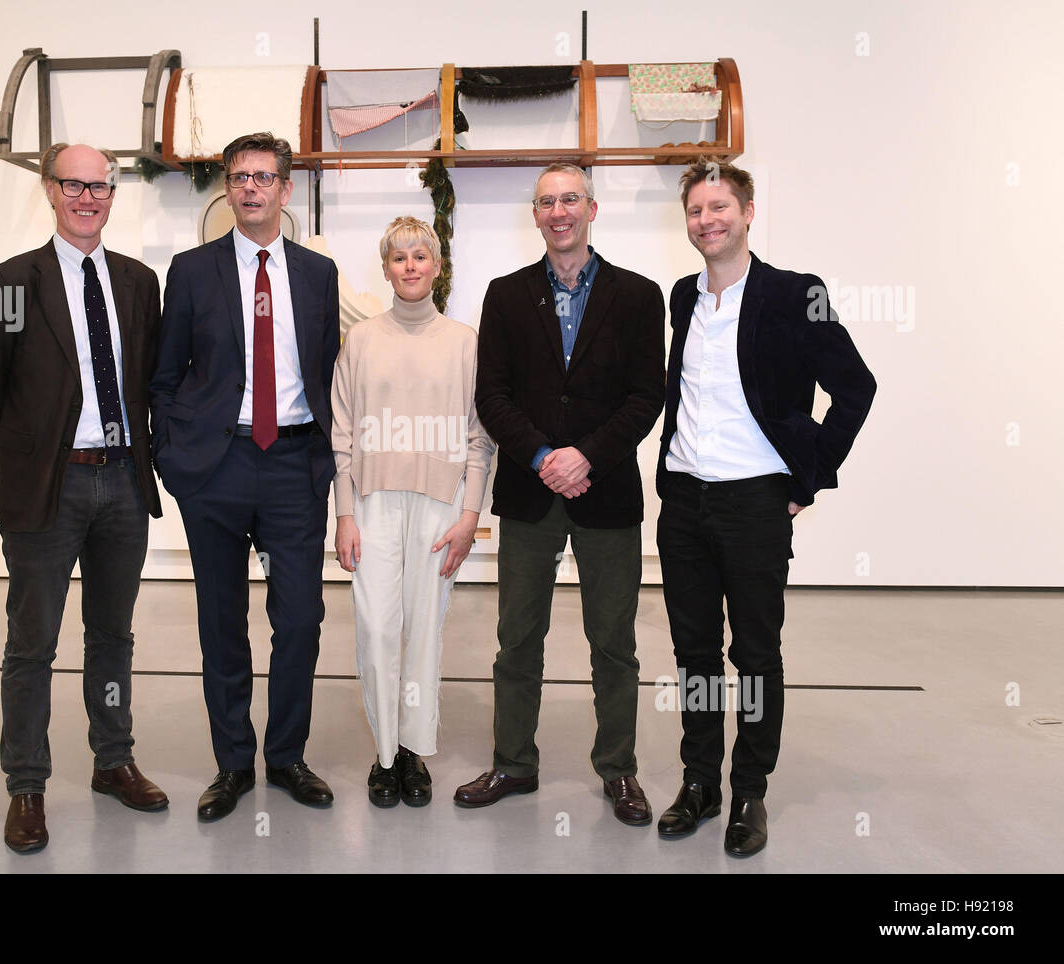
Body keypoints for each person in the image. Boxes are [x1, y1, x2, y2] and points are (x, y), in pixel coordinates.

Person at [655, 158, 876, 856]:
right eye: (696, 210)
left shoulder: (796, 293)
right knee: (694, 657)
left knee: (753, 655)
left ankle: (750, 788)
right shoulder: (682, 297)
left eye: (720, 207)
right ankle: (699, 782)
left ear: (748, 212)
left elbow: (856, 387)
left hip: (754, 502)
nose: (707, 220)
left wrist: (805, 479)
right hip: (685, 501)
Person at [0, 143, 168, 855]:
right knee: (32, 645)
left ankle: (113, 760)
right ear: (50, 191)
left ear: (113, 195)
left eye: (100, 186)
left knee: (113, 637)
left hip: (121, 482)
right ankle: (27, 784)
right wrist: (28, 459)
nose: (88, 197)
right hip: (49, 488)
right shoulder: (6, 281)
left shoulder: (141, 284)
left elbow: (150, 382)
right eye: (74, 184)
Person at [455, 163, 665, 826]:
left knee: (614, 643)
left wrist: (587, 456)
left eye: (569, 198)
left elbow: (646, 396)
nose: (558, 211)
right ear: (537, 215)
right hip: (529, 492)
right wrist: (545, 456)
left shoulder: (637, 296)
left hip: (606, 493)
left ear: (592, 209)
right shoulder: (506, 295)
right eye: (546, 201)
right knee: (518, 638)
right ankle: (513, 762)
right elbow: (492, 397)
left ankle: (620, 771)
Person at [150, 132, 341, 821]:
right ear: (227, 188)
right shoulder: (193, 271)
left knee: (301, 621)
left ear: (286, 190)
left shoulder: (318, 276)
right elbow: (166, 376)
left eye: (264, 177)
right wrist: (174, 458)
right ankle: (233, 763)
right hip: (217, 466)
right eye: (239, 177)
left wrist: (325, 460)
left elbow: (327, 373)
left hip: (293, 465)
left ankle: (286, 756)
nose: (250, 188)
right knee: (221, 622)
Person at [332, 217, 495, 808]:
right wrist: (344, 512)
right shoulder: (361, 340)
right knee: (377, 629)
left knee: (424, 630)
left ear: (437, 266)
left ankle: (413, 753)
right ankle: (383, 752)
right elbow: (343, 432)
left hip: (440, 504)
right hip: (373, 503)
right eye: (399, 258)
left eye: (420, 256)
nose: (410, 266)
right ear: (385, 268)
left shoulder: (464, 341)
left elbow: (480, 437)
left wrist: (470, 513)